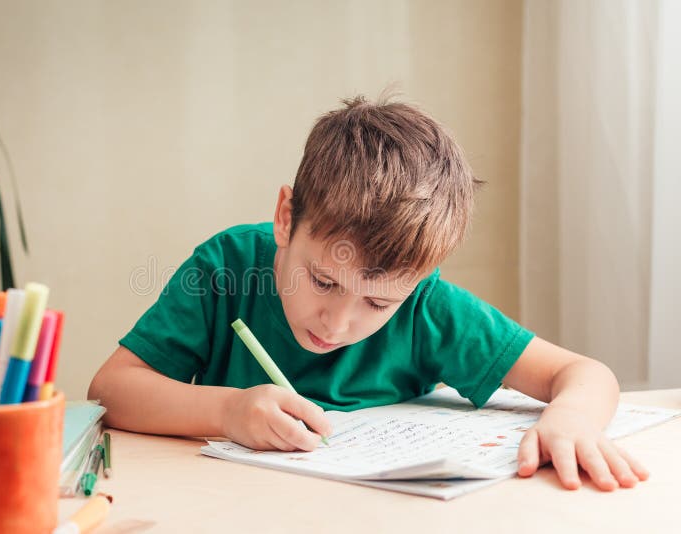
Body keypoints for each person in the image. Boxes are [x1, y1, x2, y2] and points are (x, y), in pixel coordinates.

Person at [89, 95, 648, 491]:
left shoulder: (427, 306)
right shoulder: (227, 268)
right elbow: (111, 389)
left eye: (378, 303)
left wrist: (571, 420)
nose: (336, 323)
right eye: (323, 281)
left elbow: (583, 374)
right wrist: (228, 410)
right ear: (287, 216)